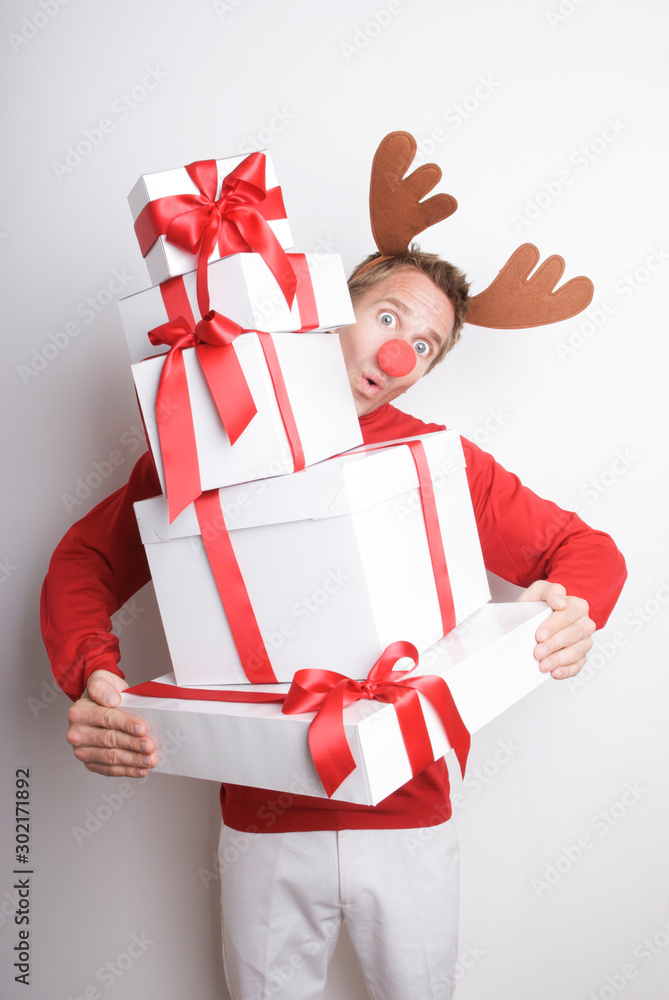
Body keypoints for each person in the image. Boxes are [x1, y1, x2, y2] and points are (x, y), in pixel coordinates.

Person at [41, 248, 627, 1000]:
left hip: (411, 818)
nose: (396, 353)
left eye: (423, 346)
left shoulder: (438, 461)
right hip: (264, 821)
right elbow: (83, 559)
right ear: (325, 312)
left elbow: (584, 550)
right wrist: (92, 672)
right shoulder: (209, 445)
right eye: (387, 317)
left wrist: (572, 608)